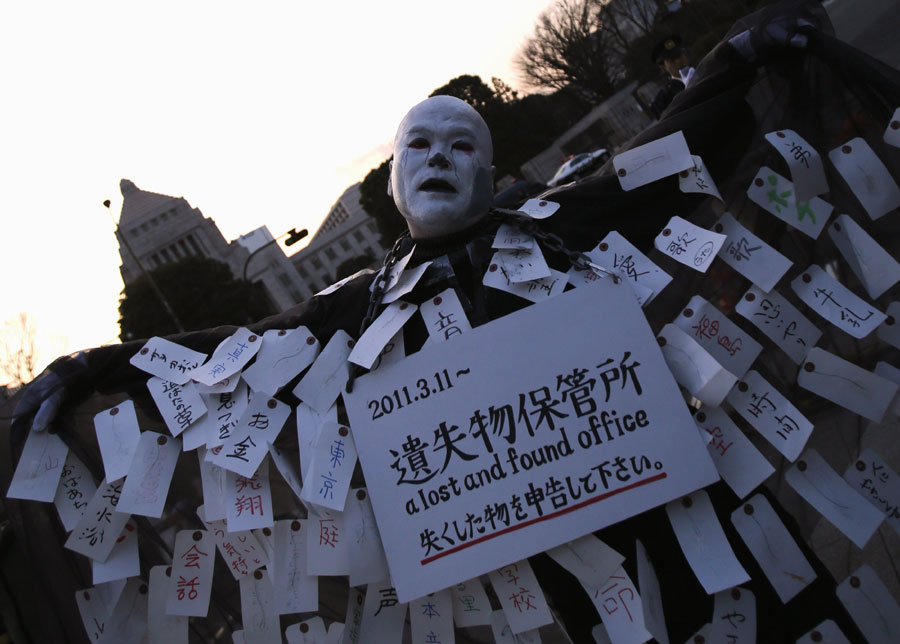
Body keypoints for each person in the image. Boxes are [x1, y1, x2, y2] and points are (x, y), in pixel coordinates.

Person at [4, 1, 899, 641]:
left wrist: (741, 55)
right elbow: (229, 356)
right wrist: (96, 367)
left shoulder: (564, 218)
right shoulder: (356, 308)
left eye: (462, 143)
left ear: (490, 170)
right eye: (418, 147)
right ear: (394, 184)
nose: (439, 157)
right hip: (557, 564)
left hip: (690, 509)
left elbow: (672, 147)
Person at [648, 34, 693, 120]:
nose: (678, 61)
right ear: (663, 67)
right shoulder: (663, 99)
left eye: (679, 55)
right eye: (671, 59)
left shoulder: (705, 71)